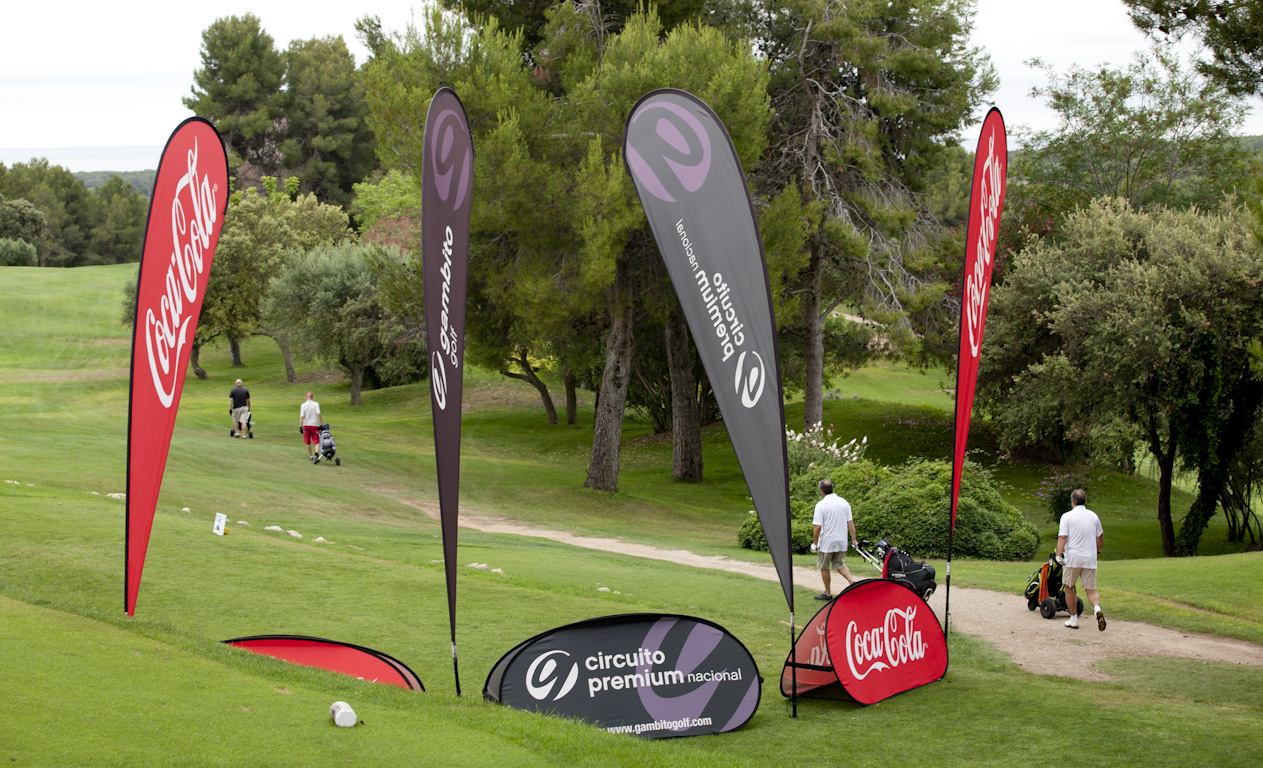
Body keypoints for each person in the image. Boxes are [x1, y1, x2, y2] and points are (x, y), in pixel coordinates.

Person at [1056, 489, 1106, 631]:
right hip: (1090, 558)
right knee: (1091, 590)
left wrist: (1059, 554)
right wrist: (1098, 549)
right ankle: (1097, 609)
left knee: (1069, 586)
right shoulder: (1093, 516)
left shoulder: (1067, 516)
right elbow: (1100, 535)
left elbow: (1063, 537)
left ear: (1073, 502)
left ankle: (1073, 619)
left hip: (1073, 558)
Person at [810, 478, 858, 600]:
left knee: (824, 567)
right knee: (840, 564)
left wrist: (815, 543)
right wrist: (853, 540)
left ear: (822, 491)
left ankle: (828, 593)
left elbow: (817, 527)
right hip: (841, 540)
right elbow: (850, 522)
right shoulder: (844, 502)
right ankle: (852, 582)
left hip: (827, 542)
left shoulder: (821, 505)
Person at [299, 391, 323, 461]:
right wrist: (321, 424)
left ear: (306, 397)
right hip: (315, 424)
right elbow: (318, 414)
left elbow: (302, 416)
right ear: (312, 397)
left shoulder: (303, 405)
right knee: (316, 440)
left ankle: (311, 456)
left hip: (306, 425)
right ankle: (316, 451)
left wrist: (300, 426)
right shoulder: (316, 404)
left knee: (307, 441)